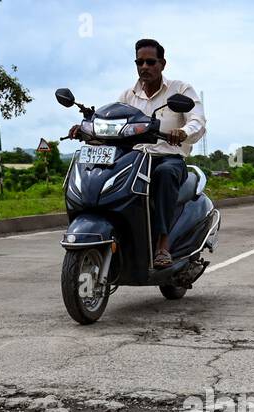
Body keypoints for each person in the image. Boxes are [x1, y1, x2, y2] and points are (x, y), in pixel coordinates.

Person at [68, 38, 207, 268]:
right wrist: (86, 132)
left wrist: (182, 133)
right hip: (131, 159)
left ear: (162, 63)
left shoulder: (180, 90)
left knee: (164, 174)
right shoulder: (127, 97)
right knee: (100, 175)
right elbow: (110, 128)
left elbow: (198, 121)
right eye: (140, 62)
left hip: (167, 158)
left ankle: (163, 244)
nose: (145, 67)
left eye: (150, 62)